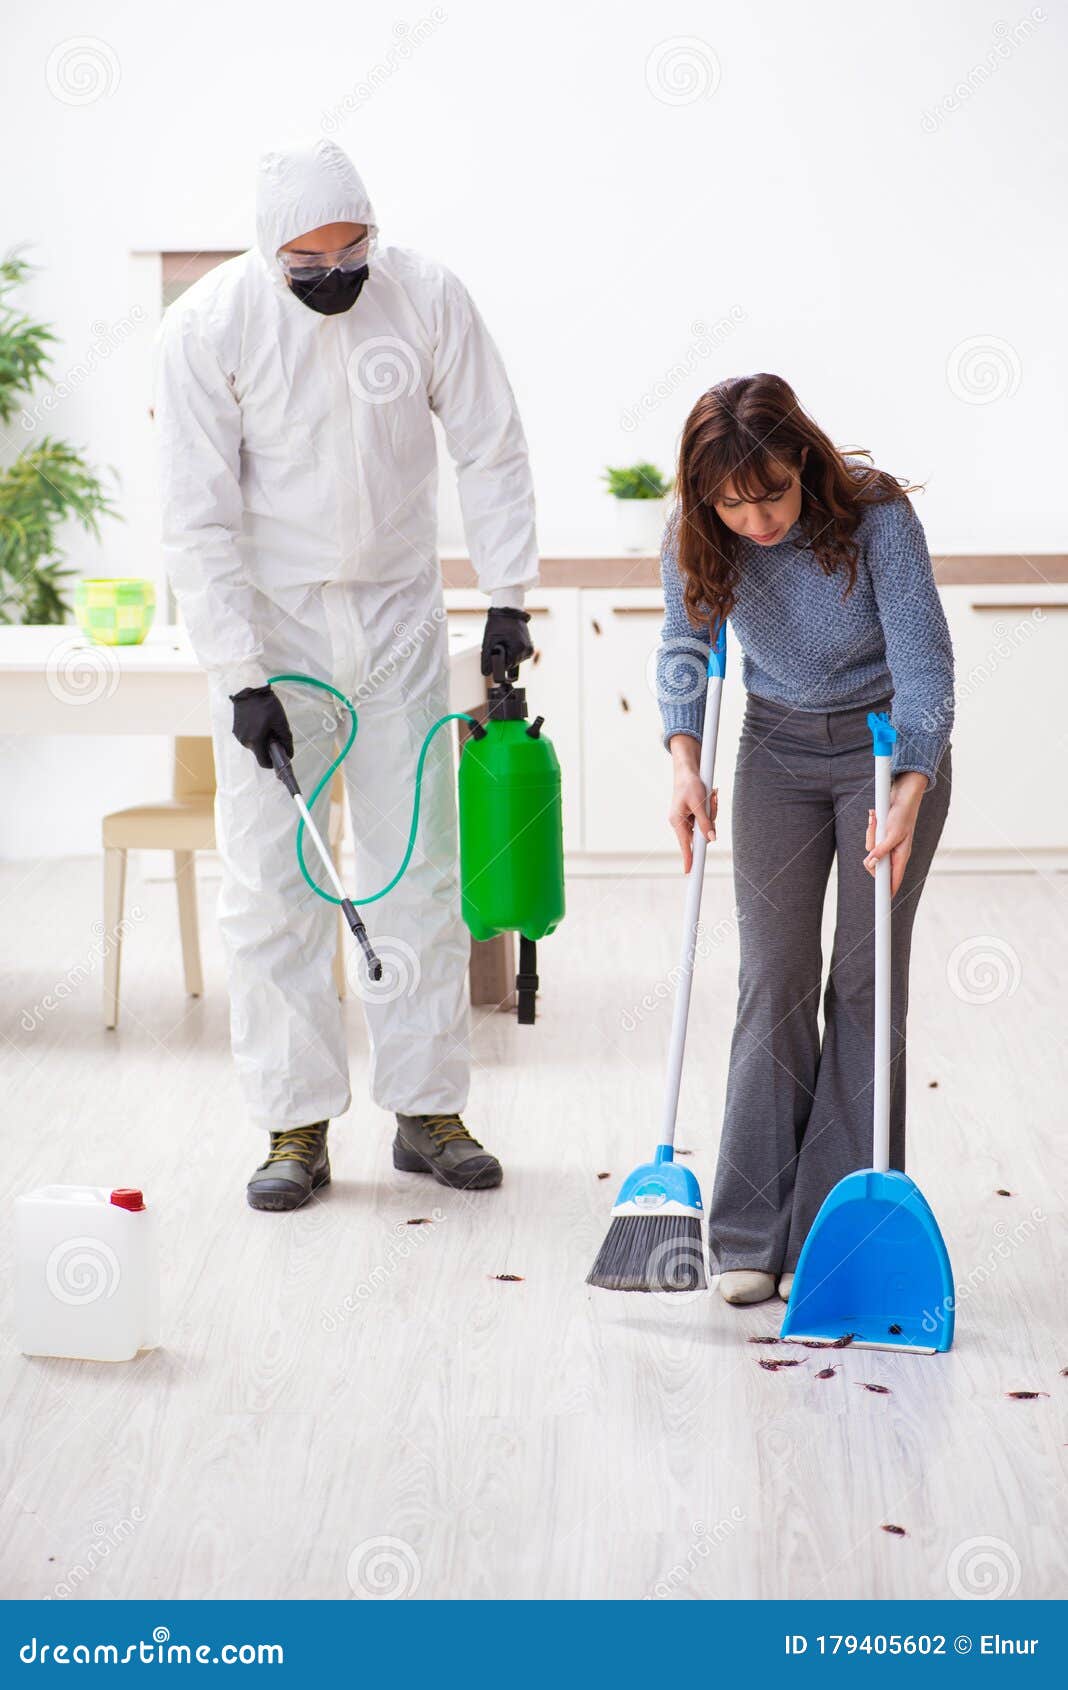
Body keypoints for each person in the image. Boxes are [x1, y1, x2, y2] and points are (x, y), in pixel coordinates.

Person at [155, 138, 538, 1211]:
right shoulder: (208, 328)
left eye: (349, 251)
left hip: (400, 616)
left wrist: (507, 598)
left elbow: (491, 446)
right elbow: (196, 511)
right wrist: (239, 674)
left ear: (375, 230)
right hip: (278, 633)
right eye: (307, 262)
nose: (333, 275)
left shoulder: (425, 297)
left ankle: (426, 1109)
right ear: (266, 253)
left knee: (417, 871)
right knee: (274, 887)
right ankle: (295, 1125)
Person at [656, 373, 954, 1306]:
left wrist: (910, 784)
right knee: (773, 974)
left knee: (865, 982)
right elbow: (683, 648)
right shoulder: (698, 535)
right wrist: (682, 762)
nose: (756, 521)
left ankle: (829, 1228)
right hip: (774, 753)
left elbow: (926, 666)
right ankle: (749, 1229)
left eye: (772, 494)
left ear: (805, 462)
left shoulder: (875, 518)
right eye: (733, 505)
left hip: (883, 754)